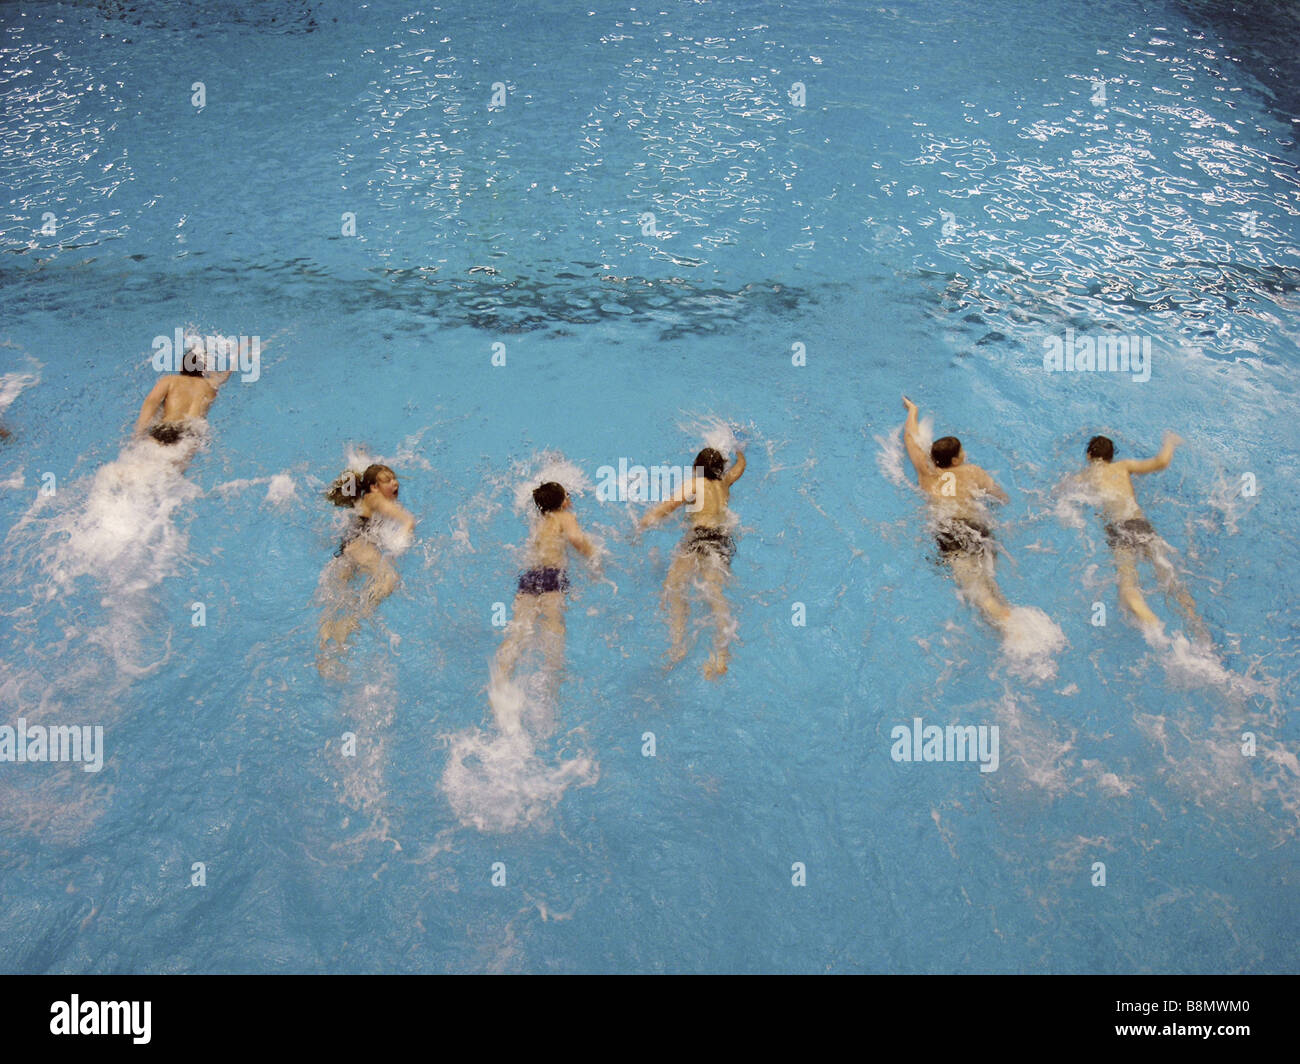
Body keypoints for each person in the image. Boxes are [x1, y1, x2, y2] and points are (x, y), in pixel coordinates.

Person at [901, 396, 1012, 630]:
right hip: (977, 527)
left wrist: (913, 411)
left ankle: (1004, 622)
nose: (965, 454)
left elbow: (910, 438)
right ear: (955, 459)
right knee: (985, 579)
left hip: (949, 530)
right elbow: (1000, 496)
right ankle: (1007, 620)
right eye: (962, 451)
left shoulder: (926, 473)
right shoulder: (972, 471)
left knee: (974, 589)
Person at [638, 446, 745, 679]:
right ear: (720, 469)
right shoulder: (724, 484)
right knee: (715, 594)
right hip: (721, 543)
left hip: (698, 540)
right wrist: (741, 453)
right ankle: (722, 655)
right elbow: (739, 469)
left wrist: (644, 522)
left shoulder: (694, 484)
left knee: (673, 587)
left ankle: (678, 644)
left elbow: (668, 506)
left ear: (697, 467)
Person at [1081, 433, 1203, 636]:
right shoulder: (1123, 466)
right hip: (1140, 525)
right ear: (1112, 457)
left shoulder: (1084, 477)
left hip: (1117, 530)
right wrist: (1170, 442)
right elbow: (1161, 462)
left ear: (1088, 456)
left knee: (1128, 586)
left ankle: (1152, 622)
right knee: (1169, 578)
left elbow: (1059, 494)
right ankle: (1195, 622)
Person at [495, 482, 598, 679]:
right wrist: (593, 555)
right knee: (553, 625)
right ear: (562, 502)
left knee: (519, 630)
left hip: (530, 577)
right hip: (552, 577)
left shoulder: (541, 521)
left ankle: (501, 676)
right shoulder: (564, 517)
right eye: (567, 495)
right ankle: (553, 674)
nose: (570, 499)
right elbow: (576, 539)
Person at [318, 463, 416, 650]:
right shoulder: (375, 499)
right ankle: (353, 620)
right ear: (374, 487)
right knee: (388, 579)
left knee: (337, 601)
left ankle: (325, 645)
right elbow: (406, 519)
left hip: (348, 548)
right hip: (358, 545)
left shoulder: (367, 500)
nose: (394, 483)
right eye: (387, 480)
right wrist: (406, 529)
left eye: (394, 478)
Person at [134, 341, 233, 449]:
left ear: (182, 366)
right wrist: (236, 357)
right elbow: (223, 376)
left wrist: (139, 433)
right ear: (203, 369)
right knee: (174, 465)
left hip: (167, 429)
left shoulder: (170, 380)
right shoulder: (210, 385)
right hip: (190, 434)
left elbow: (151, 403)